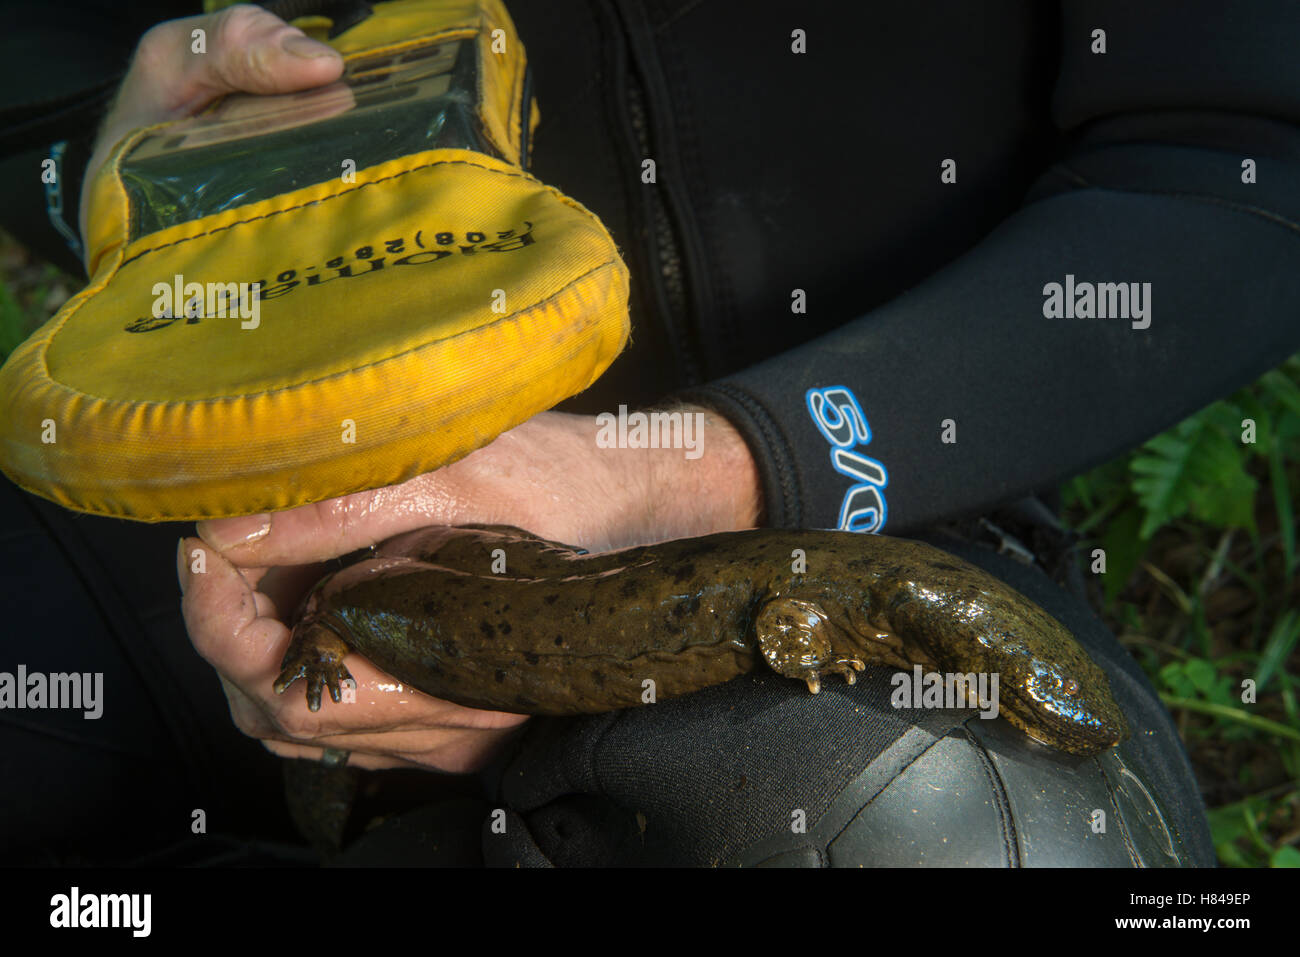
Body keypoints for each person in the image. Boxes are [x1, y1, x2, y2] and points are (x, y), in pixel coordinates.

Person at [5, 0, 1298, 866]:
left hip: (877, 483)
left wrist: (712, 462)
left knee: (935, 818)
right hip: (283, 484)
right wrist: (130, 204)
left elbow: (1240, 160)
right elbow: (42, 107)